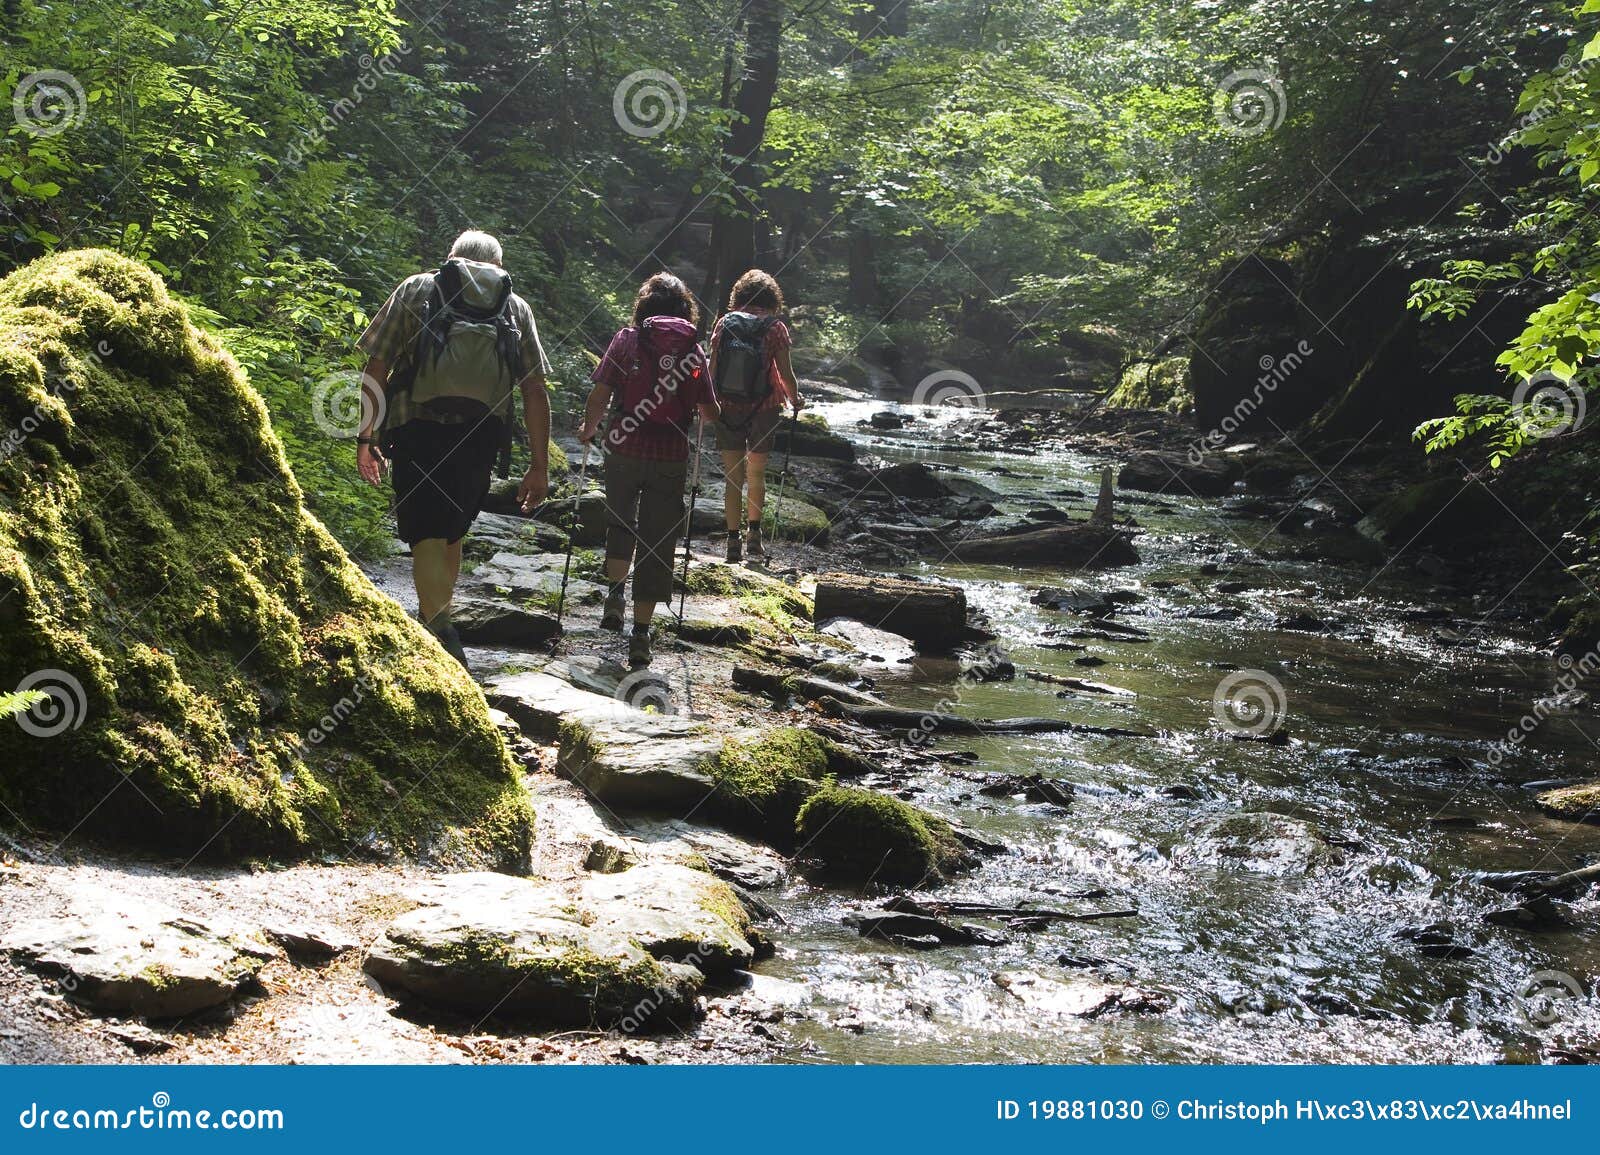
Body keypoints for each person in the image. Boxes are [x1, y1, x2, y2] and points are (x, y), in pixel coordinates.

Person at [355, 230, 552, 665]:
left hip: (418, 426)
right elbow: (534, 389)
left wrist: (366, 436)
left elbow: (377, 366)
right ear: (497, 266)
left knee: (426, 531)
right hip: (480, 434)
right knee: (453, 529)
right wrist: (539, 465)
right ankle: (439, 621)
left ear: (451, 260)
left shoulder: (417, 288)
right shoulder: (514, 306)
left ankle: (440, 630)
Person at [580, 273, 720, 667]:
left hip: (623, 445)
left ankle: (614, 596)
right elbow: (710, 411)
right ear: (684, 312)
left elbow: (600, 393)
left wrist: (589, 428)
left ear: (644, 307)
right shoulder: (693, 350)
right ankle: (640, 635)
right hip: (670, 456)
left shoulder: (627, 339)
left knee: (620, 520)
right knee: (658, 538)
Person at [709, 269, 803, 564]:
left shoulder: (724, 324)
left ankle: (732, 543)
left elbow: (712, 370)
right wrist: (795, 399)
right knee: (757, 474)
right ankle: (754, 538)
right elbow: (786, 374)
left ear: (739, 296)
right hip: (765, 407)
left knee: (732, 478)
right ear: (772, 298)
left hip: (727, 407)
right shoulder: (775, 328)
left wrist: (705, 403)